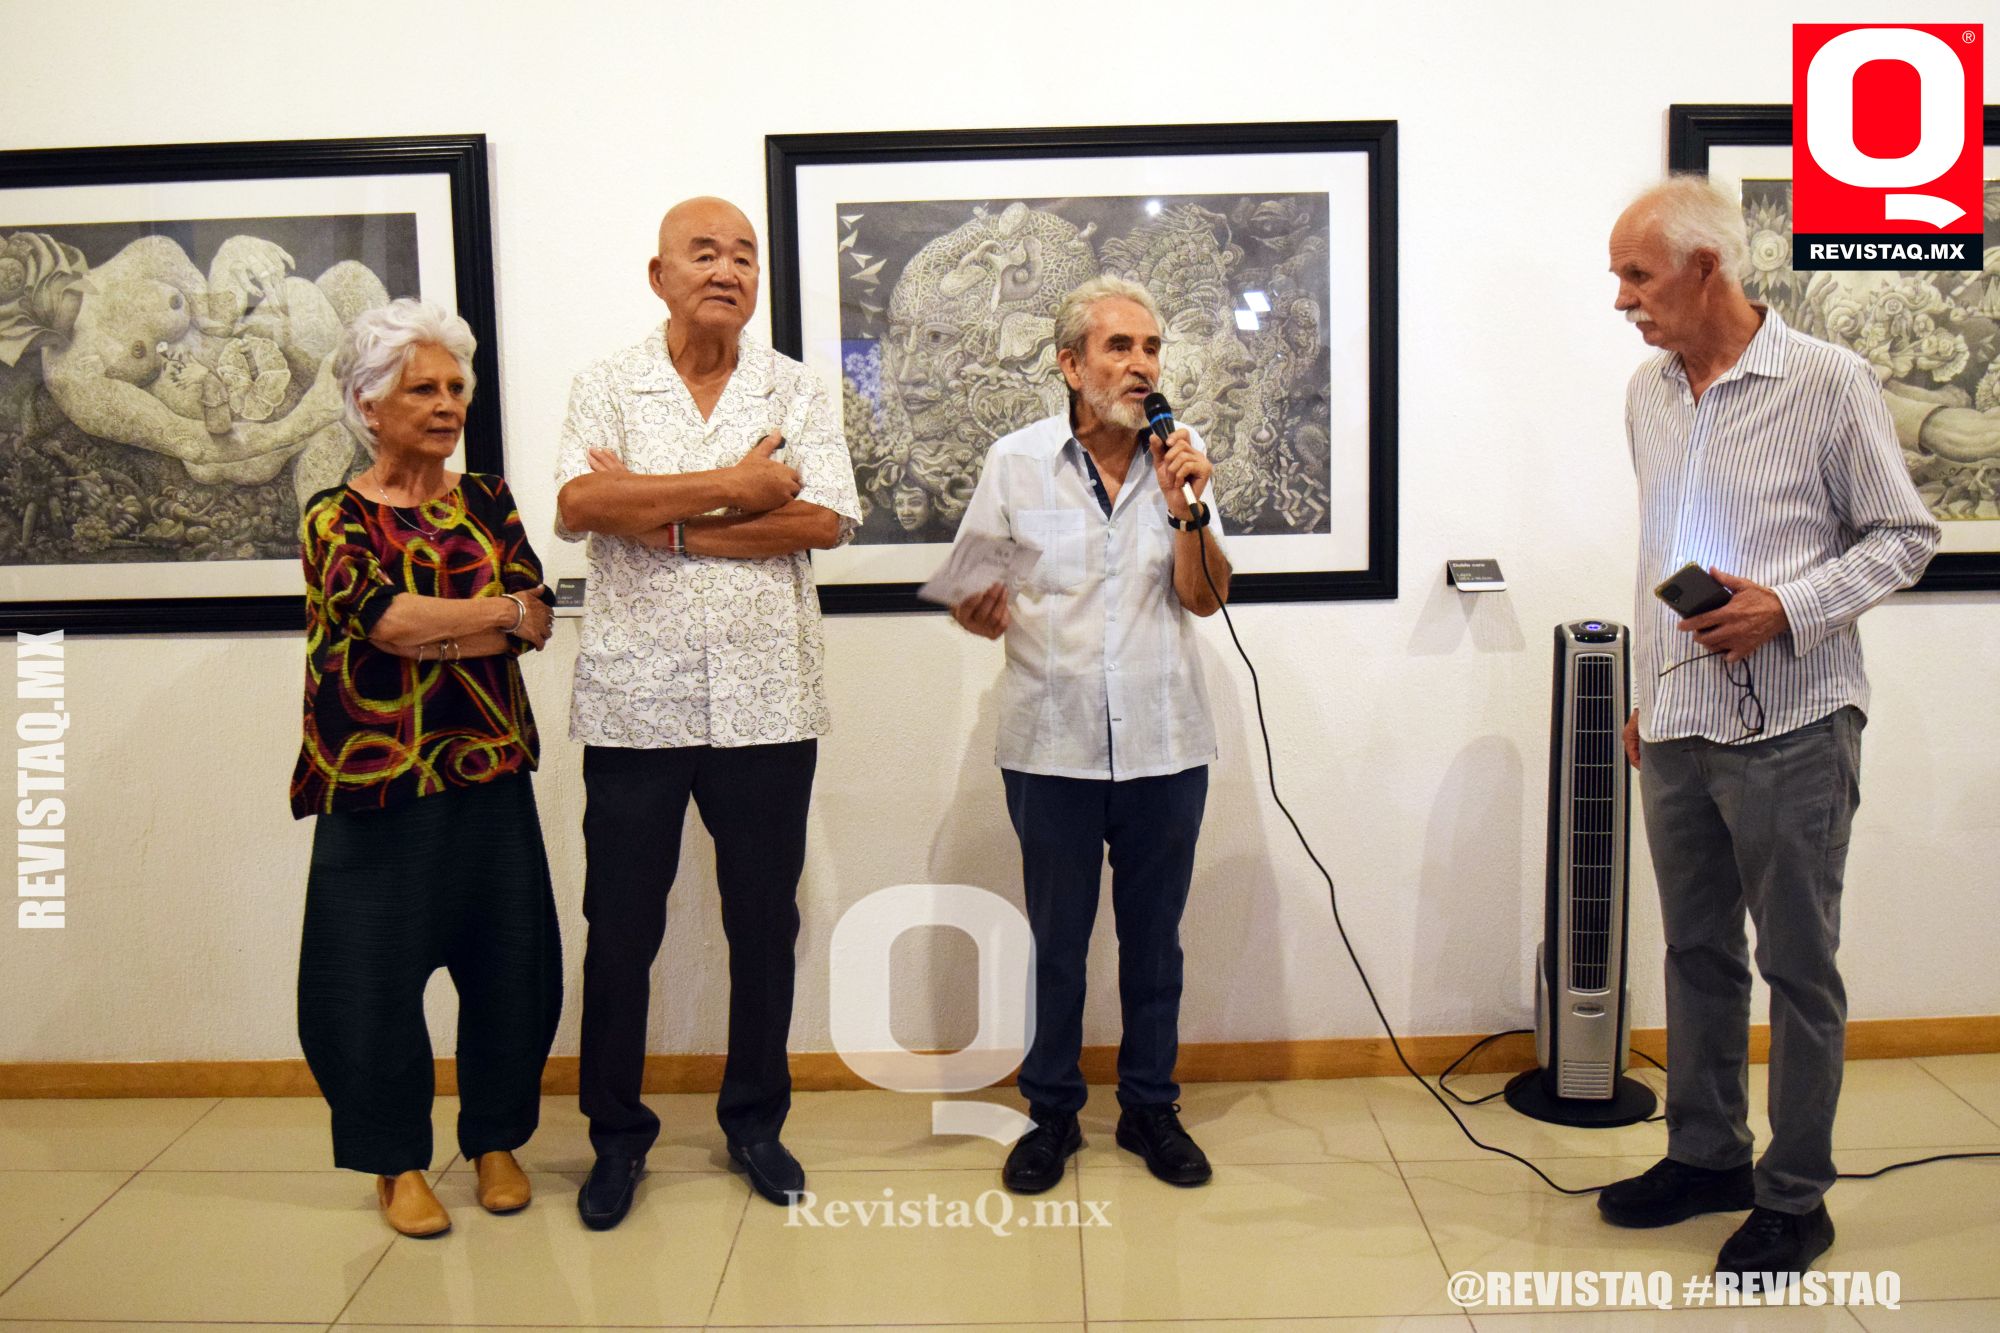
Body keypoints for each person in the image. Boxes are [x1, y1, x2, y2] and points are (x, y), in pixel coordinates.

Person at [1598, 178, 1940, 1283]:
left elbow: (1903, 535)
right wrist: (1649, 692)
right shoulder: (1646, 394)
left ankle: (1794, 1194)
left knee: (1796, 965)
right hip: (1681, 722)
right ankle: (1705, 1155)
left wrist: (1785, 606)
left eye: (1635, 275)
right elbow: (1661, 553)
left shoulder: (1827, 382)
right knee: (1695, 953)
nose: (1620, 300)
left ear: (1706, 270)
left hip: (1796, 722)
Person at [554, 196, 860, 1229]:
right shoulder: (605, 385)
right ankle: (615, 1136)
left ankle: (754, 1123)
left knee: (762, 925)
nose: (726, 269)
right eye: (704, 253)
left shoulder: (798, 388)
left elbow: (820, 518)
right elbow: (578, 509)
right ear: (658, 274)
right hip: (633, 704)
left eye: (743, 255)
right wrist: (738, 486)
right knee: (619, 929)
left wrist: (665, 519)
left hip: (769, 701)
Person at [947, 274, 1231, 1195]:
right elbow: (973, 599)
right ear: (1070, 364)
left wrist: (1188, 504)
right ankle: (1052, 1113)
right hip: (1051, 743)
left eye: (1151, 348)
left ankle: (1151, 1106)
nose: (1142, 364)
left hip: (1164, 740)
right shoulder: (1016, 463)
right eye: (1120, 348)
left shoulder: (1181, 461)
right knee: (1057, 941)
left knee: (1156, 941)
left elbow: (1206, 596)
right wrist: (981, 610)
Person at [291, 298, 561, 1238]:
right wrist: (485, 621)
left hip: (488, 771)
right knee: (366, 982)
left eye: (456, 388)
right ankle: (395, 1161)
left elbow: (538, 611)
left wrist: (467, 622)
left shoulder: (486, 499)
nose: (448, 405)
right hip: (374, 784)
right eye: (424, 389)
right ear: (369, 405)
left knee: (511, 969)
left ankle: (495, 1141)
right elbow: (387, 621)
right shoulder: (333, 516)